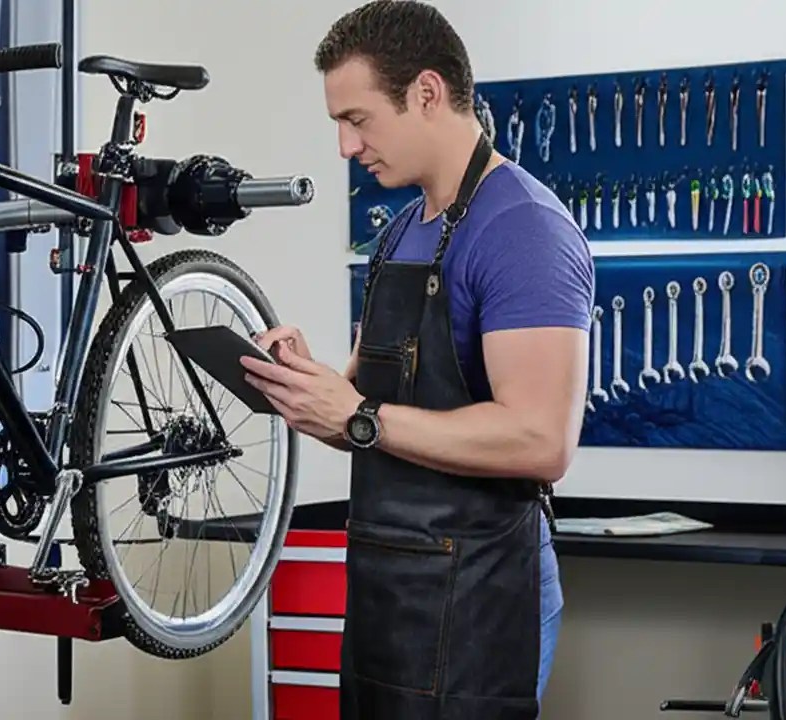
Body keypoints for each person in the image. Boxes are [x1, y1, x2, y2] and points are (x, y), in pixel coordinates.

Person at [240, 1, 594, 717]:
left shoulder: (524, 230)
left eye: (358, 119)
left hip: (481, 595)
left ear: (427, 94)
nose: (345, 146)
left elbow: (541, 440)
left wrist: (360, 416)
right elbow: (363, 408)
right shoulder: (401, 230)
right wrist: (310, 385)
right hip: (388, 587)